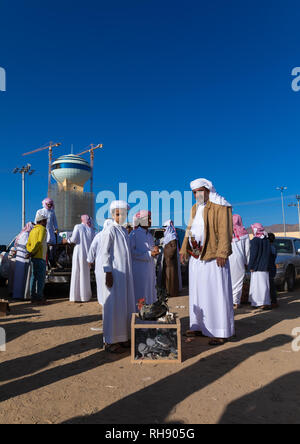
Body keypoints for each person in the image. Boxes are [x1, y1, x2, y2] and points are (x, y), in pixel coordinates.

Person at [180, 178, 235, 346]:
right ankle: (198, 325)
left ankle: (220, 331)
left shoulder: (220, 205)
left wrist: (222, 252)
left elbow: (225, 230)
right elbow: (190, 229)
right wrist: (183, 249)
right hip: (196, 256)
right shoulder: (195, 208)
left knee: (215, 292)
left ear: (208, 190)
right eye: (195, 192)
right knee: (198, 291)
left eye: (200, 191)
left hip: (214, 256)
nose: (197, 194)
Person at [101, 200, 136, 353]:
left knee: (124, 305)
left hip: (125, 275)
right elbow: (104, 252)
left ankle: (122, 338)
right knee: (113, 306)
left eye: (123, 213)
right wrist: (108, 272)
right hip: (114, 274)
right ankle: (110, 341)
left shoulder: (123, 231)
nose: (121, 216)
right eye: (118, 213)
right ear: (113, 214)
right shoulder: (111, 230)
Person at [130, 211, 159, 306]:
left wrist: (155, 249)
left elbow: (151, 249)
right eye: (148, 218)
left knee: (150, 293)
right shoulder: (134, 234)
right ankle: (140, 318)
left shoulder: (149, 235)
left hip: (150, 269)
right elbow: (132, 253)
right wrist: (149, 253)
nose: (151, 220)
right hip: (139, 271)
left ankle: (149, 316)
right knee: (141, 294)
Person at [65, 215, 95, 303]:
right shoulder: (92, 230)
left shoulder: (78, 226)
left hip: (79, 253)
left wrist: (67, 240)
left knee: (77, 273)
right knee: (85, 275)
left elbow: (73, 240)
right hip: (88, 254)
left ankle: (75, 297)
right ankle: (85, 296)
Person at [87, 219, 114, 306]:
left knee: (101, 283)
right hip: (110, 264)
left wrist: (90, 260)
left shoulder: (98, 236)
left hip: (100, 264)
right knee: (108, 284)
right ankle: (108, 303)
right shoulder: (113, 236)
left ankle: (102, 302)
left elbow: (92, 248)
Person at [229, 215, 250, 309]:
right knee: (238, 281)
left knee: (228, 280)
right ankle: (236, 302)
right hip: (239, 259)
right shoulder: (245, 233)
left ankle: (228, 300)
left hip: (227, 258)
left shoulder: (226, 231)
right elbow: (247, 250)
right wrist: (247, 262)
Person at [248, 223, 271, 310]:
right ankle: (265, 302)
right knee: (264, 285)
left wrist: (251, 266)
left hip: (257, 267)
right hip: (265, 266)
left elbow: (253, 255)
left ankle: (259, 303)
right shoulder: (266, 240)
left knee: (258, 285)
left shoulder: (255, 240)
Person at [26, 214, 48, 305]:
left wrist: (30, 252)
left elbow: (28, 244)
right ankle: (39, 297)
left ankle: (33, 297)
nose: (46, 222)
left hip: (33, 257)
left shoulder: (32, 230)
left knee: (33, 277)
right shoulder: (42, 229)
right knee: (40, 279)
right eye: (45, 221)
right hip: (40, 256)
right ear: (42, 221)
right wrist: (33, 252)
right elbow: (39, 243)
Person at [12, 222, 35, 300]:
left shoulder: (22, 233)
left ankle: (18, 295)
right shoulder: (25, 234)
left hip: (20, 257)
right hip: (22, 257)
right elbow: (26, 245)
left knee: (19, 277)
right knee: (21, 277)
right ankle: (19, 295)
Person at [35, 198, 59, 267]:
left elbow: (55, 221)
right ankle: (46, 262)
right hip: (42, 231)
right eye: (48, 204)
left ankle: (51, 261)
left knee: (52, 248)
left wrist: (56, 228)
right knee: (45, 247)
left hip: (50, 231)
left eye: (51, 204)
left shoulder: (52, 212)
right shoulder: (40, 211)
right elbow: (36, 221)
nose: (49, 205)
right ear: (45, 204)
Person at [162, 220, 180, 297]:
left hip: (170, 261)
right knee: (167, 276)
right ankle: (167, 291)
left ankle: (172, 292)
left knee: (171, 277)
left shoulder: (172, 236)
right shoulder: (168, 236)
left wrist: (168, 255)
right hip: (167, 260)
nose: (164, 229)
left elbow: (174, 247)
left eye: (165, 227)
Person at [268, 233, 279, 308]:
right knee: (271, 285)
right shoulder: (273, 247)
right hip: (272, 268)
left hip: (270, 268)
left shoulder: (270, 247)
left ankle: (274, 301)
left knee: (271, 285)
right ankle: (273, 301)